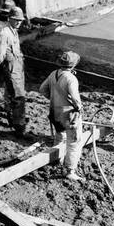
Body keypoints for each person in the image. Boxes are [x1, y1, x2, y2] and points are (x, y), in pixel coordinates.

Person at [39, 50, 86, 181]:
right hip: (68, 115)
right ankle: (70, 170)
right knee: (74, 142)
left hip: (54, 111)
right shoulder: (71, 78)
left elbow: (42, 89)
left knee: (60, 135)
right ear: (73, 65)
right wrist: (79, 108)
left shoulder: (53, 73)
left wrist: (54, 98)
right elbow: (76, 99)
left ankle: (56, 159)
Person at [0, 7, 28, 136]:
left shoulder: (14, 32)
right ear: (9, 19)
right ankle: (19, 126)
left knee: (13, 94)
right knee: (18, 97)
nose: (18, 22)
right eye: (16, 20)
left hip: (17, 68)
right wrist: (3, 72)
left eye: (20, 20)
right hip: (11, 70)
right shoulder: (4, 34)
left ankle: (13, 118)